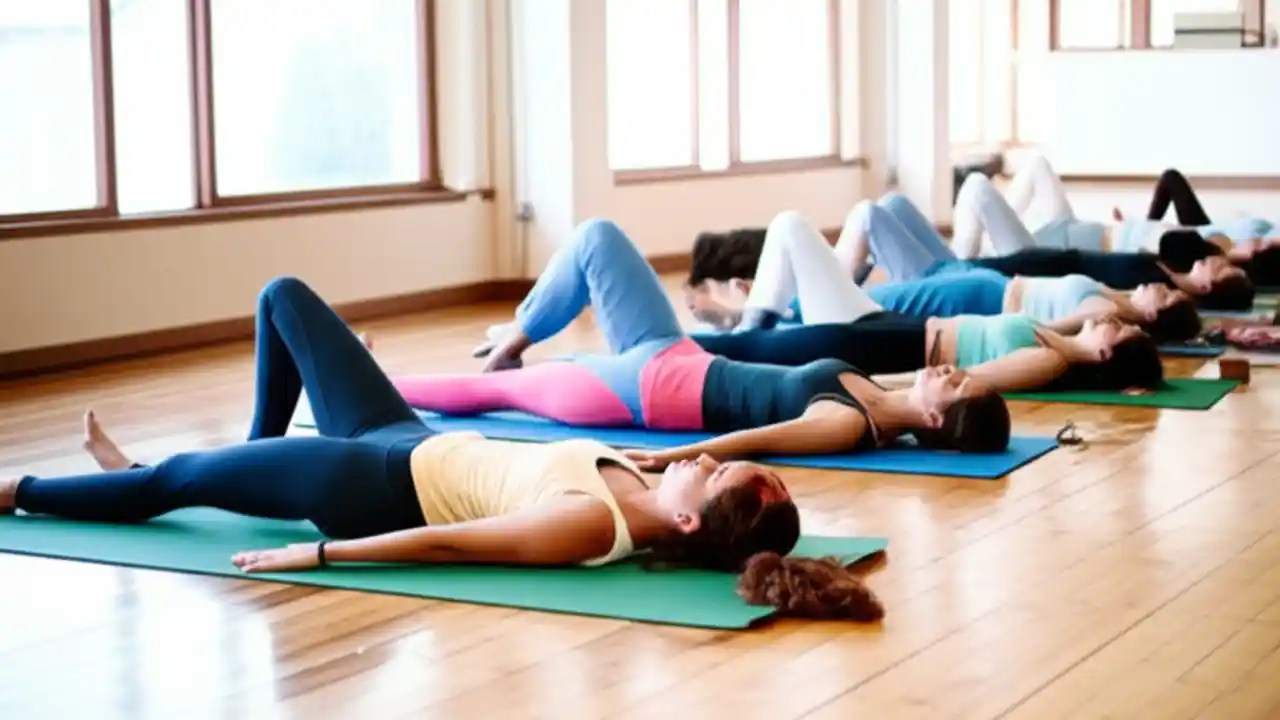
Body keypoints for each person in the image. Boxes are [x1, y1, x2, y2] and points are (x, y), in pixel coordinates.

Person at [1, 278, 890, 621]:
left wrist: (321, 550)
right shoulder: (656, 483)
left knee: (168, 483)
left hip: (366, 484)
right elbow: (739, 518)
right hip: (403, 437)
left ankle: (23, 490)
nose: (703, 456)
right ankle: (242, 467)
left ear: (692, 515)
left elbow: (449, 543)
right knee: (283, 299)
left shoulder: (589, 527)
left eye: (719, 467)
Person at [418, 219, 1012, 461]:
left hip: (647, 391)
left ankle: (350, 377)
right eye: (958, 375)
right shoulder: (881, 395)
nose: (947, 373)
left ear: (936, 421)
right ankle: (513, 340)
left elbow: (752, 441)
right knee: (597, 238)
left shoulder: (852, 424)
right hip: (672, 356)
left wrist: (666, 459)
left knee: (478, 392)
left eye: (955, 386)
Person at [685, 210, 1200, 342]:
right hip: (920, 295)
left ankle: (744, 329)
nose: (1163, 287)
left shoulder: (1105, 313)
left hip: (908, 313)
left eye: (1167, 298)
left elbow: (1045, 335)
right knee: (803, 248)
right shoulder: (1114, 297)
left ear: (1154, 315)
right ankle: (740, 318)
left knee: (790, 228)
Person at [840, 188, 1254, 312]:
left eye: (1218, 273)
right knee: (891, 204)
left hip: (975, 279)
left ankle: (831, 303)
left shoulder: (1147, 287)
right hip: (980, 265)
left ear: (1205, 291)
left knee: (870, 215)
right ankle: (841, 287)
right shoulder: (1161, 271)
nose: (1213, 263)